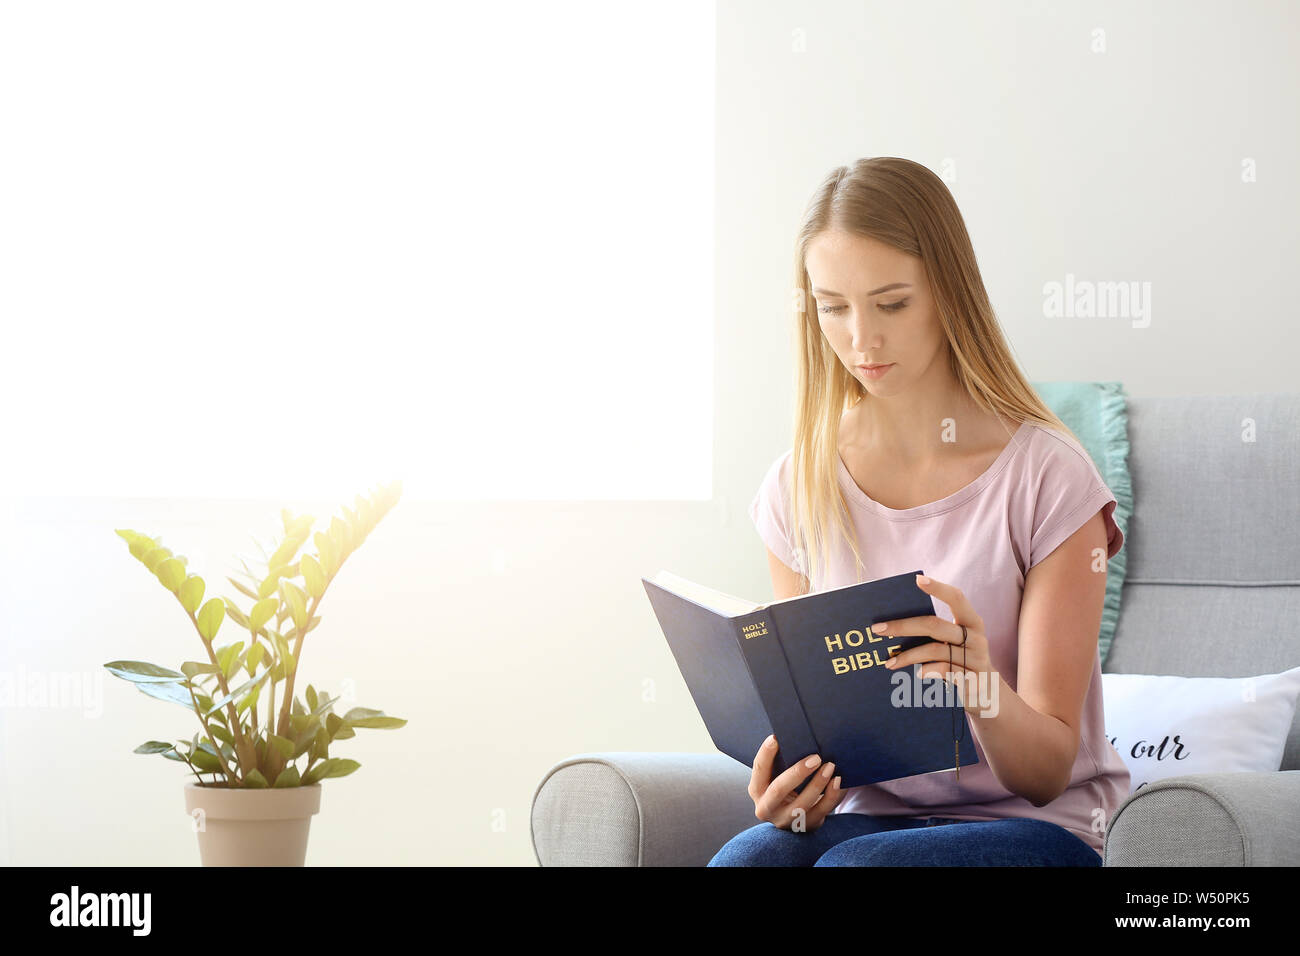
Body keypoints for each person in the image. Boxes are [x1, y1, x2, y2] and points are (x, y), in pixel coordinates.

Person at [708, 157, 1129, 867]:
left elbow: (1047, 773)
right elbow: (820, 733)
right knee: (751, 859)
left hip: (1043, 829)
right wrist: (796, 790)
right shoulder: (799, 484)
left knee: (860, 869)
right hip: (873, 825)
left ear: (948, 293)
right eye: (834, 307)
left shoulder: (1048, 478)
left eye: (892, 302)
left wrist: (979, 684)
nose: (861, 340)